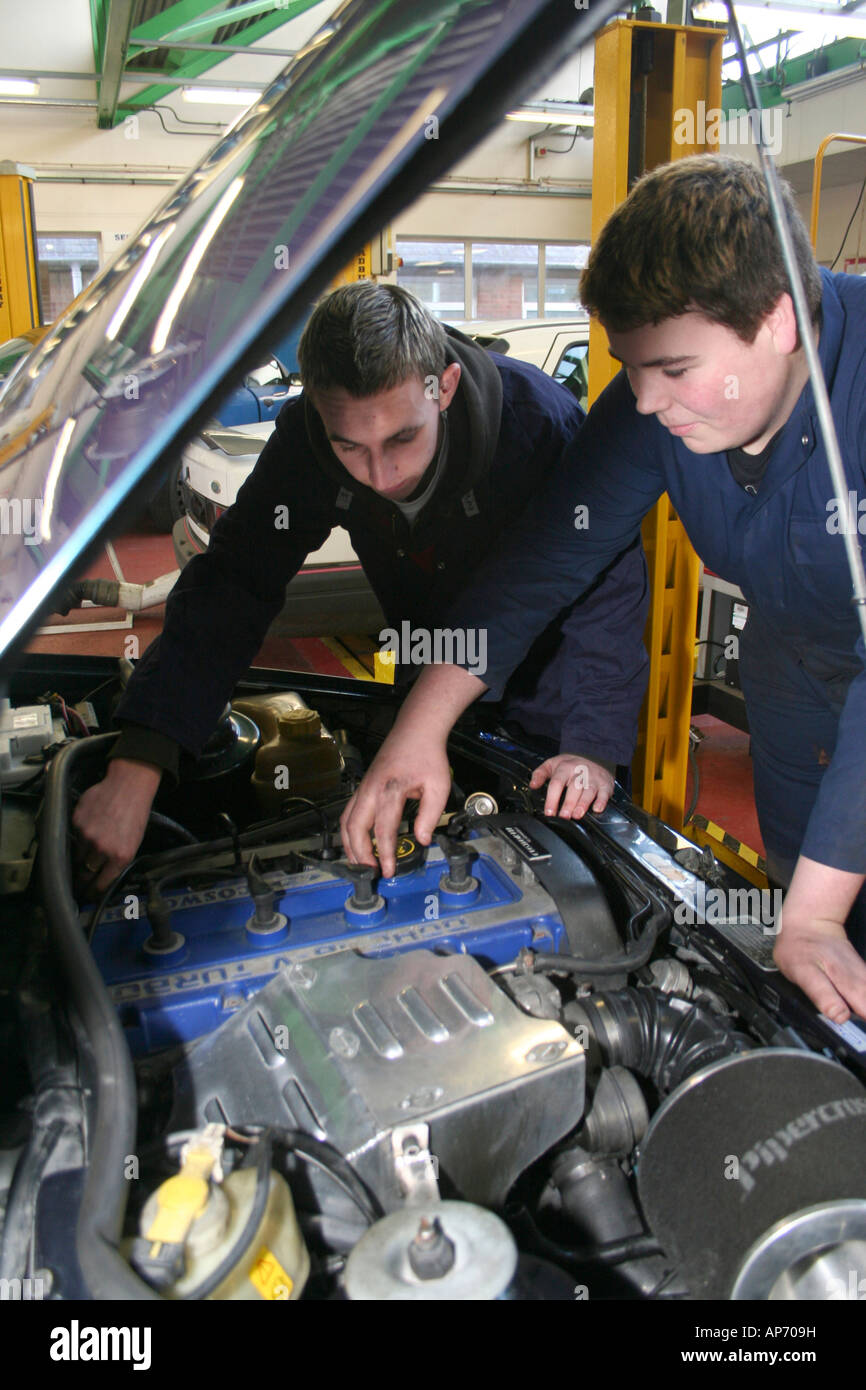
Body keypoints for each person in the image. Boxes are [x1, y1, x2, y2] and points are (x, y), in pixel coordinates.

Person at [341, 155, 866, 1027]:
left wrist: (814, 915)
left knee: (815, 926)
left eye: (674, 370)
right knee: (811, 979)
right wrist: (418, 730)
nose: (646, 402)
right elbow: (544, 560)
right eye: (631, 369)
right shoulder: (658, 398)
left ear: (779, 321)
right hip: (794, 697)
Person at [73, 282, 649, 889]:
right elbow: (233, 581)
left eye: (402, 438)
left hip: (557, 702)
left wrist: (591, 745)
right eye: (351, 446)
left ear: (444, 387)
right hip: (428, 682)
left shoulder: (538, 425)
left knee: (574, 880)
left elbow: (605, 584)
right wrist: (140, 762)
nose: (382, 474)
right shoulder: (309, 441)